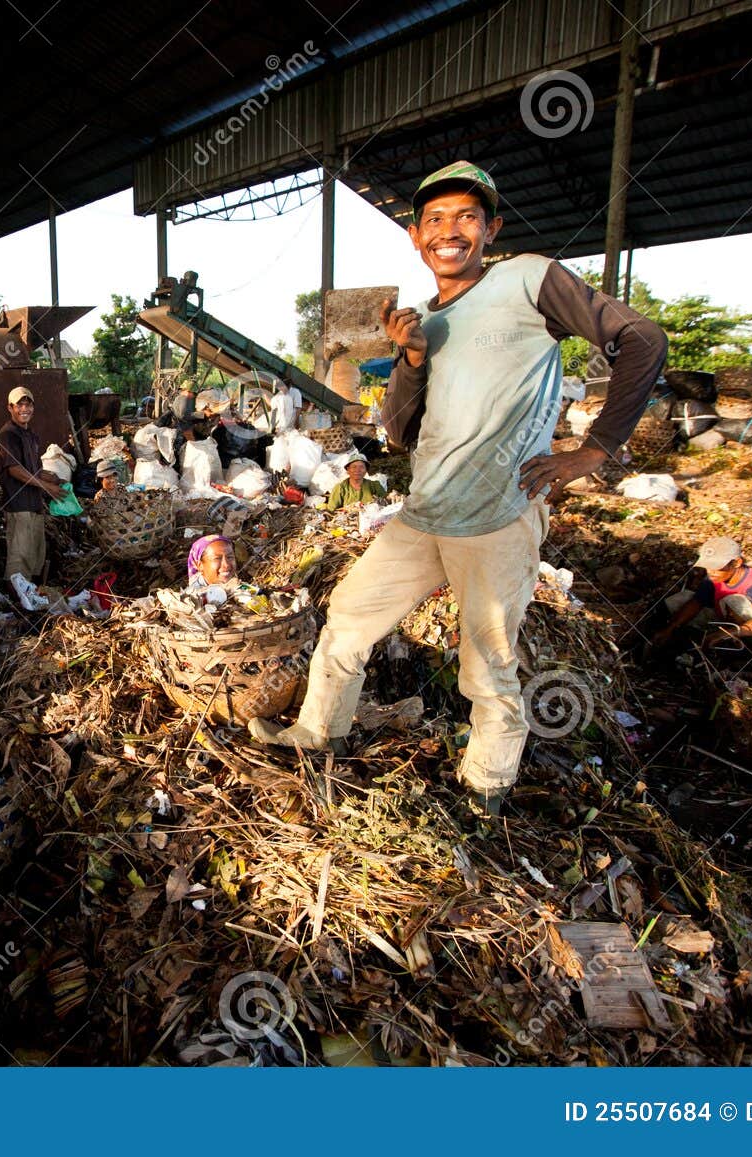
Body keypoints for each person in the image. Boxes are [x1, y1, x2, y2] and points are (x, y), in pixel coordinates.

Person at [248, 159, 668, 817]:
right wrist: (412, 358)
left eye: (467, 217)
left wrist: (593, 450)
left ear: (491, 228)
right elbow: (399, 430)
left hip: (497, 519)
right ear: (416, 237)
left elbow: (642, 339)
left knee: (488, 666)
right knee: (348, 619)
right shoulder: (425, 324)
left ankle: (486, 789)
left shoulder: (528, 279)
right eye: (435, 219)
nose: (451, 230)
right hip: (424, 513)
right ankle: (317, 732)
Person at [652, 536, 752, 665]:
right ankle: (697, 645)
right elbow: (696, 603)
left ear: (737, 563)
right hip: (736, 628)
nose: (711, 572)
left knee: (736, 602)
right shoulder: (715, 578)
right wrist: (669, 629)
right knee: (682, 600)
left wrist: (727, 633)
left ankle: (747, 658)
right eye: (708, 567)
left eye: (717, 568)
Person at [0, 386, 61, 583]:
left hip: (34, 504)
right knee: (20, 557)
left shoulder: (30, 435)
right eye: (19, 405)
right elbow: (14, 469)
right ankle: (16, 605)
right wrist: (46, 487)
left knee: (34, 555)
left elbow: (35, 469)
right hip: (18, 505)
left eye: (28, 404)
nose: (24, 409)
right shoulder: (8, 434)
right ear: (10, 408)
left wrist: (55, 479)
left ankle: (29, 598)